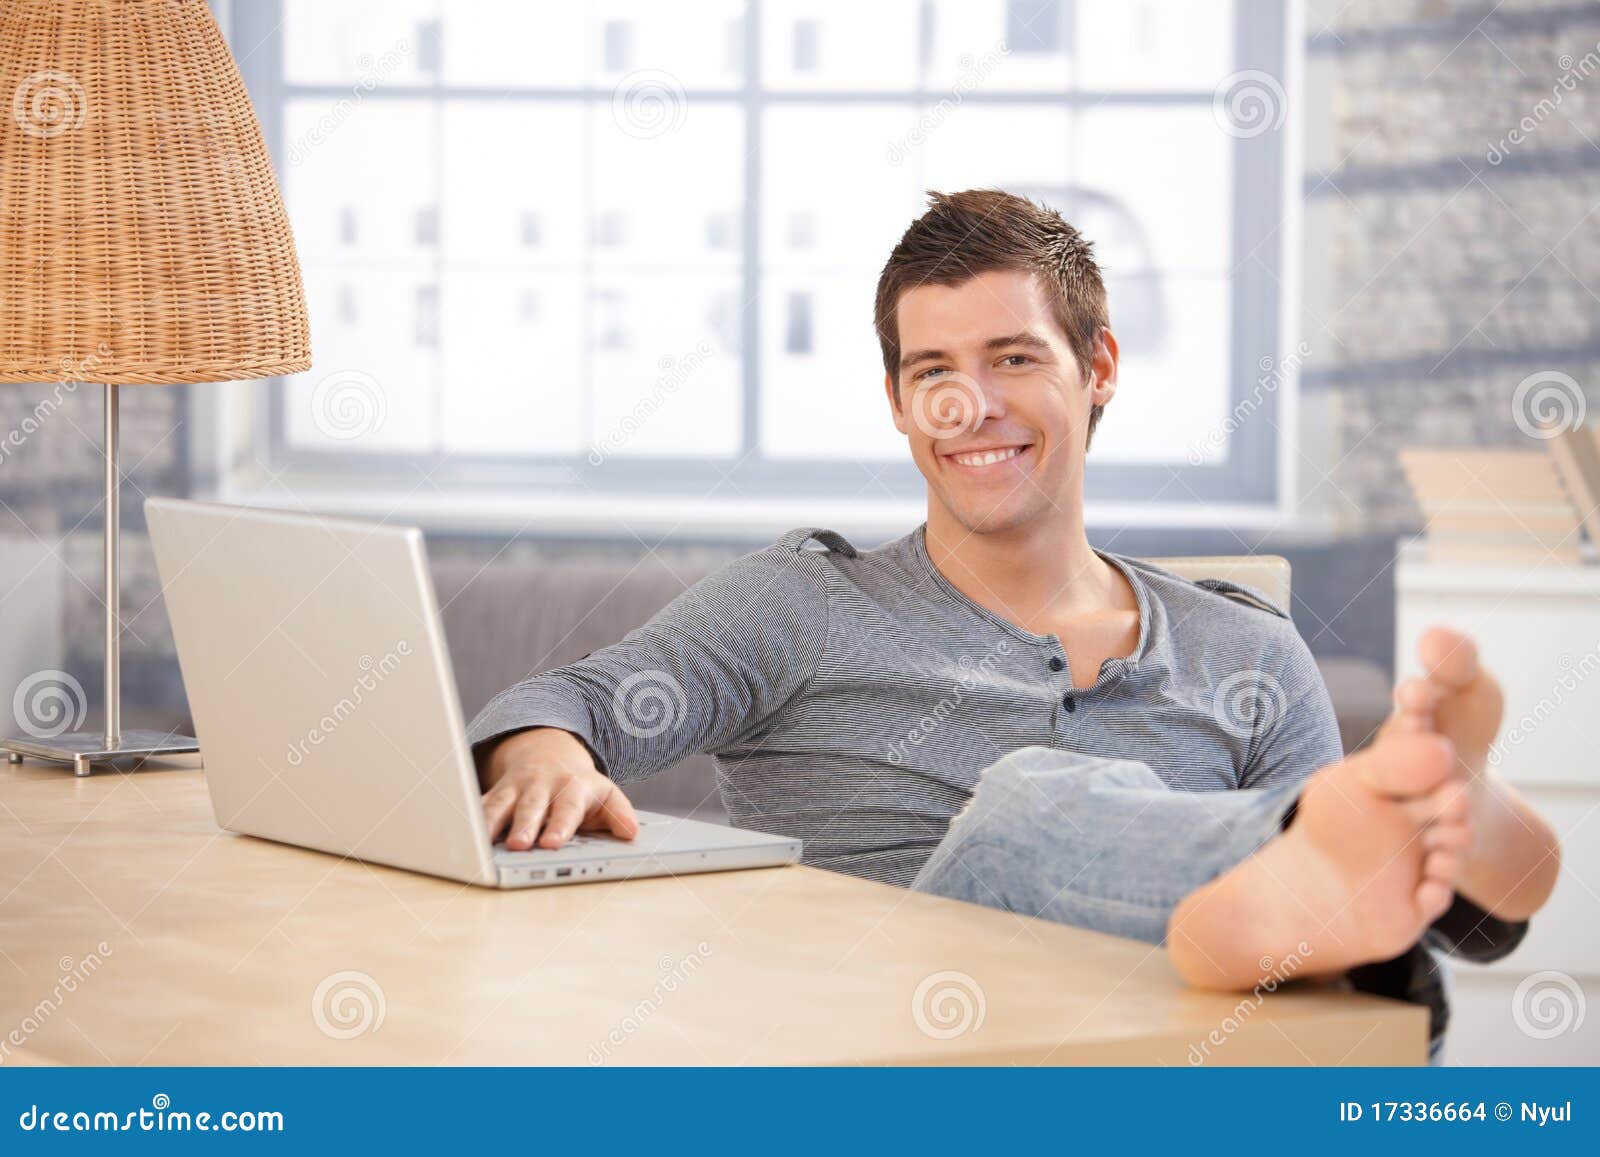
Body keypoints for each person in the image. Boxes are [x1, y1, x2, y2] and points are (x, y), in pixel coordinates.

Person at [467, 189, 1560, 1047]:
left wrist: (1396, 831)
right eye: (932, 369)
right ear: (897, 401)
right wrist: (544, 750)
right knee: (1033, 797)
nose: (970, 406)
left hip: (1161, 1071)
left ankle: (1450, 837)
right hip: (899, 1061)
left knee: (1347, 882)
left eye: (1014, 359)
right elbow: (570, 699)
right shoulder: (799, 604)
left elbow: (1347, 922)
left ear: (1099, 368)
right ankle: (1341, 862)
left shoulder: (1247, 649)